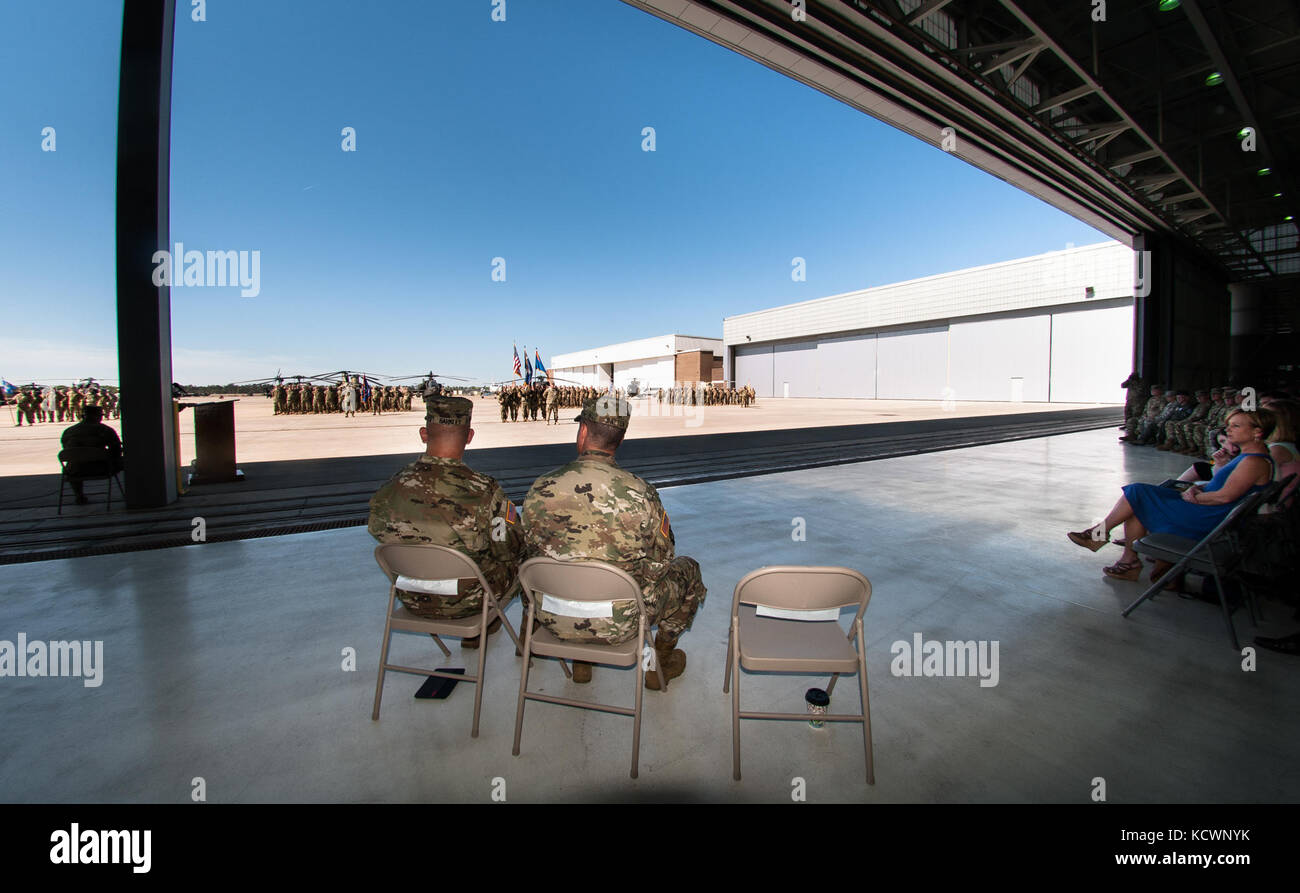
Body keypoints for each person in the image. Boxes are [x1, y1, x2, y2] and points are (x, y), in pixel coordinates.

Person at [521, 394, 707, 689]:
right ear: (619, 441)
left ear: (583, 432)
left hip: (552, 616)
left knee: (565, 561)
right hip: (620, 622)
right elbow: (662, 561)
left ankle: (581, 663)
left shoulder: (540, 488)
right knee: (689, 570)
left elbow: (527, 553)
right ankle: (657, 665)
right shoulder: (641, 493)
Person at [367, 395, 524, 648]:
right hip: (469, 600)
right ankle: (503, 631)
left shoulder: (391, 489)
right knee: (524, 559)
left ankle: (483, 625)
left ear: (423, 434)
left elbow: (378, 531)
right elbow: (509, 546)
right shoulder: (485, 491)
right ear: (470, 436)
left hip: (412, 597)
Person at [1068, 408, 1277, 580]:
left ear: (1257, 432)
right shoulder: (1250, 458)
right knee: (1137, 499)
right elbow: (1224, 489)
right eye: (1230, 425)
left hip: (1206, 517)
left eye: (1236, 426)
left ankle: (1108, 541)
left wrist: (1194, 496)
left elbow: (1225, 497)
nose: (1228, 430)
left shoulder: (1253, 462)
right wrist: (1200, 487)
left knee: (1137, 492)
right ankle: (1125, 558)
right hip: (1209, 511)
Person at [58, 405, 124, 504]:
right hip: (100, 468)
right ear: (98, 416)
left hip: (74, 471)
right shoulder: (104, 430)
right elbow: (116, 450)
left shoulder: (69, 431)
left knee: (74, 462)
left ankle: (79, 495)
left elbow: (67, 450)